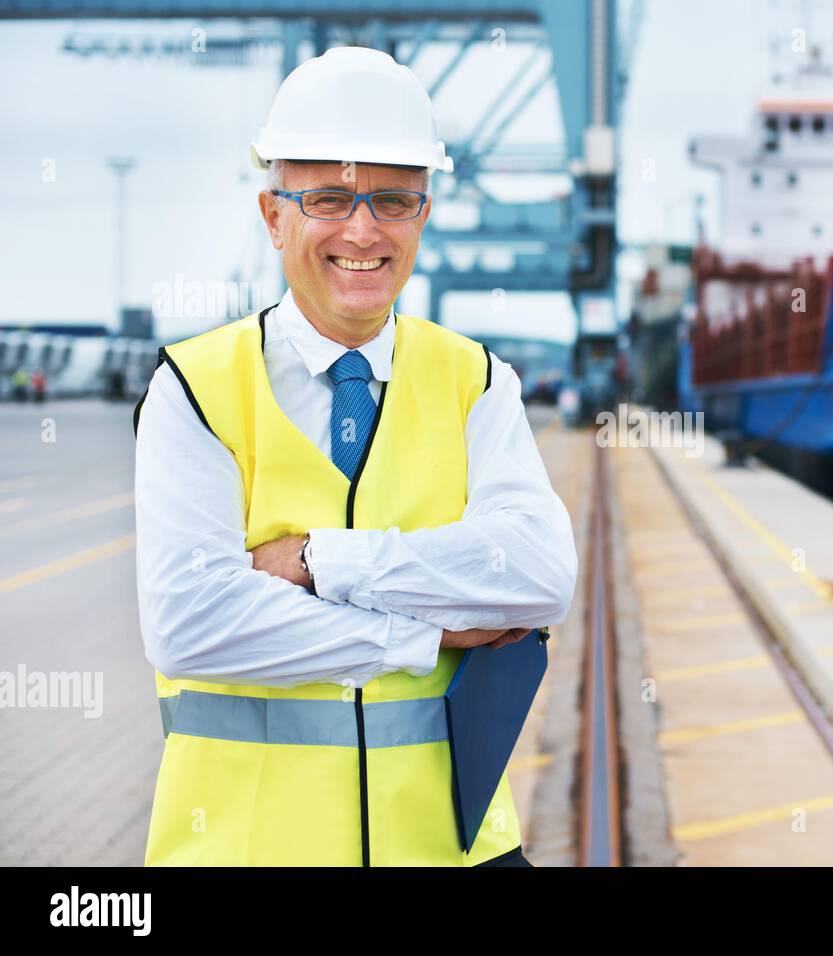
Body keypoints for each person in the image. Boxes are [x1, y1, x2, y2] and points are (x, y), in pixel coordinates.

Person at [132, 47, 578, 867]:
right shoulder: (193, 390)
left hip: (456, 850)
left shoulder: (478, 382)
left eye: (393, 200)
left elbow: (540, 577)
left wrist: (315, 560)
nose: (364, 231)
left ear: (423, 215)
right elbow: (191, 626)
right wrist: (428, 636)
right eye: (330, 198)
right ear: (274, 216)